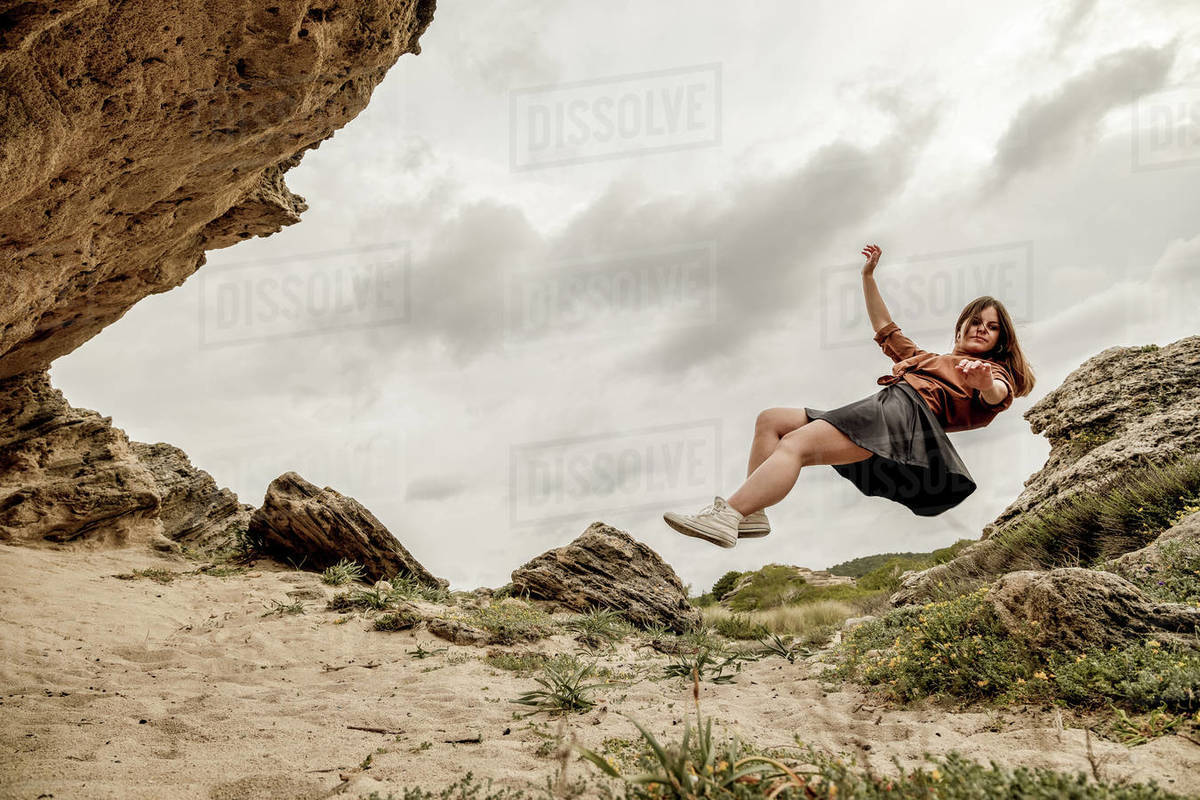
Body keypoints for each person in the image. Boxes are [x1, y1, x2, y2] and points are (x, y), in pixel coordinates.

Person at [663, 244, 1036, 548]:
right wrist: (868, 277)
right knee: (771, 420)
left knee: (794, 445)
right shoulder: (928, 360)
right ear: (962, 325)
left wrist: (985, 382)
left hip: (903, 417)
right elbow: (884, 327)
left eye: (992, 328)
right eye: (976, 322)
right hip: (884, 408)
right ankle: (753, 512)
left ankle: (729, 514)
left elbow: (996, 396)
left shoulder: (992, 372)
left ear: (1000, 341)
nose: (981, 330)